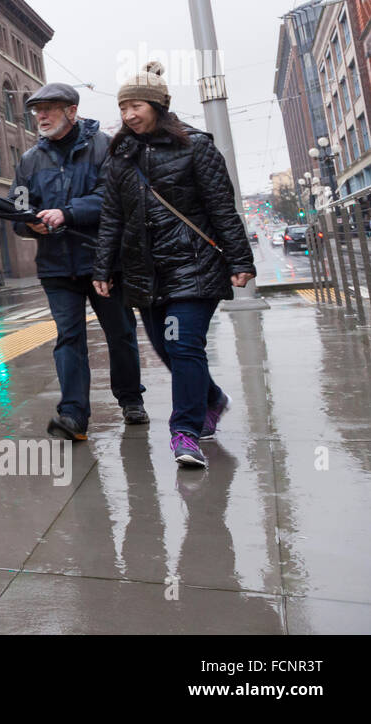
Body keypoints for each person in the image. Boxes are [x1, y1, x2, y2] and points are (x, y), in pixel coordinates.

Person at [91, 61, 255, 469]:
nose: (129, 115)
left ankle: (184, 432)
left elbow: (222, 207)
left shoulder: (196, 146)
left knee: (184, 347)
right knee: (167, 349)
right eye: (123, 107)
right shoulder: (119, 156)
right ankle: (212, 398)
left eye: (137, 106)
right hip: (144, 270)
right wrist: (102, 269)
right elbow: (112, 217)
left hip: (192, 266)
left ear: (158, 105)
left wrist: (240, 258)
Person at [12, 82, 146, 441]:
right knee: (68, 338)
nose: (41, 116)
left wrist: (66, 213)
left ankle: (131, 399)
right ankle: (73, 415)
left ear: (72, 111)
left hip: (104, 262)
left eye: (49, 109)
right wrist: (29, 223)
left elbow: (113, 197)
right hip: (56, 267)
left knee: (119, 333)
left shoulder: (105, 146)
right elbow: (18, 206)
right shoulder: (29, 160)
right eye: (37, 111)